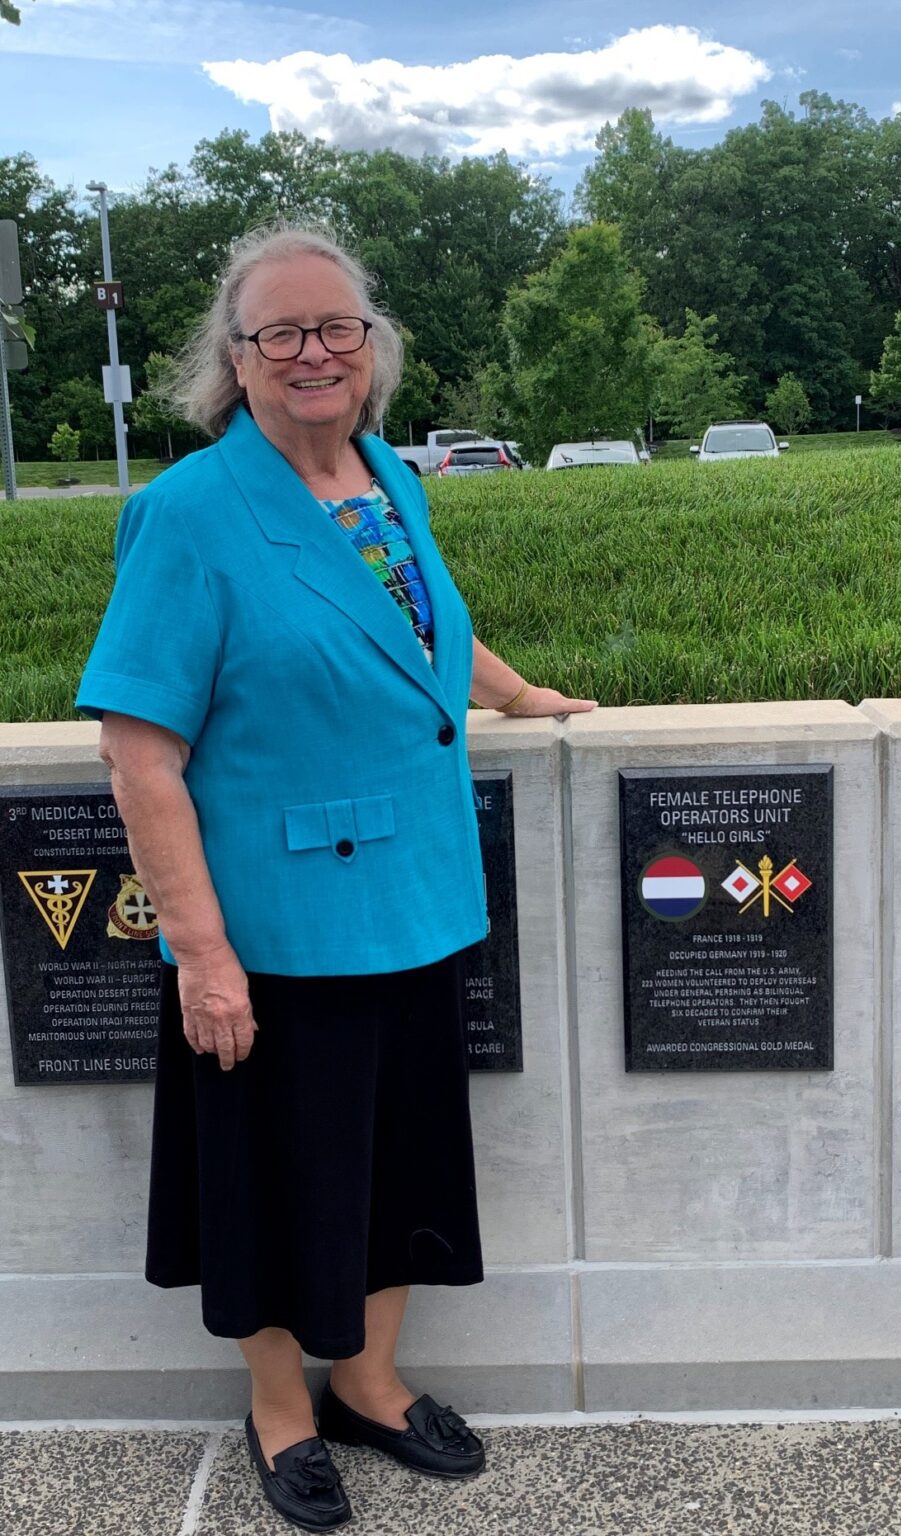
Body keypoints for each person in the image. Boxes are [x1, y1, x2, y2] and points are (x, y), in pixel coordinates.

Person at [76, 222, 595, 1533]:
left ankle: (368, 1380)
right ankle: (282, 1410)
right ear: (234, 364)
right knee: (265, 1182)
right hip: (272, 933)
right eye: (282, 334)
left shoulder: (386, 480)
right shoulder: (189, 514)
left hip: (415, 899)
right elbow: (140, 756)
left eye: (338, 329)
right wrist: (201, 952)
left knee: (398, 1167)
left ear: (372, 351)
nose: (316, 353)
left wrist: (516, 691)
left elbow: (416, 618)